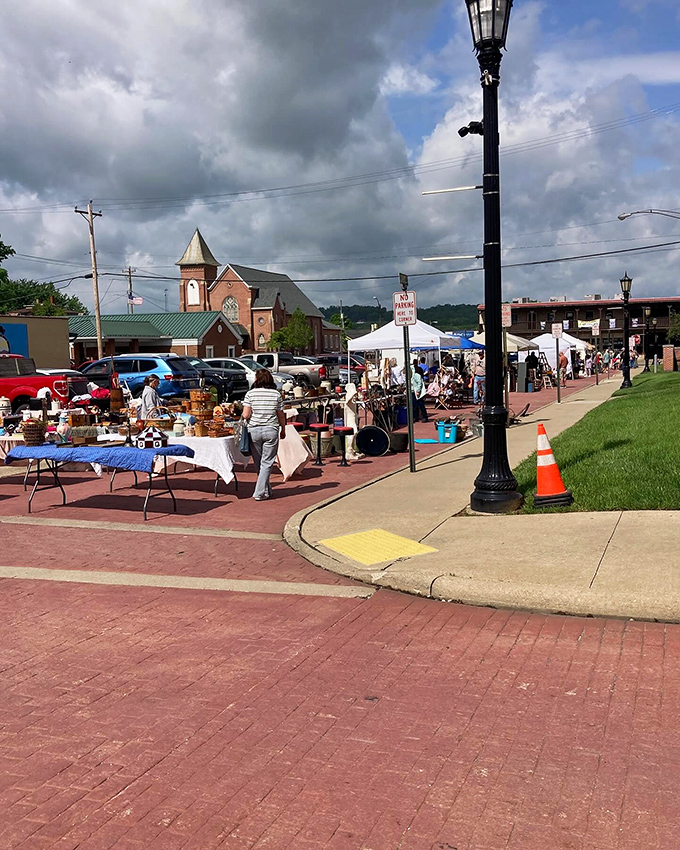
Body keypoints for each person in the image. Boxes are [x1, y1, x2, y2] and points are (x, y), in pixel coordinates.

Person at [241, 369, 287, 501]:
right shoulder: (276, 394)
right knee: (267, 462)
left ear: (257, 380)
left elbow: (246, 414)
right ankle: (261, 492)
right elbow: (280, 415)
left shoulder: (250, 394)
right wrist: (283, 429)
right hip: (271, 430)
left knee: (258, 462)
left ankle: (264, 491)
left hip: (254, 430)